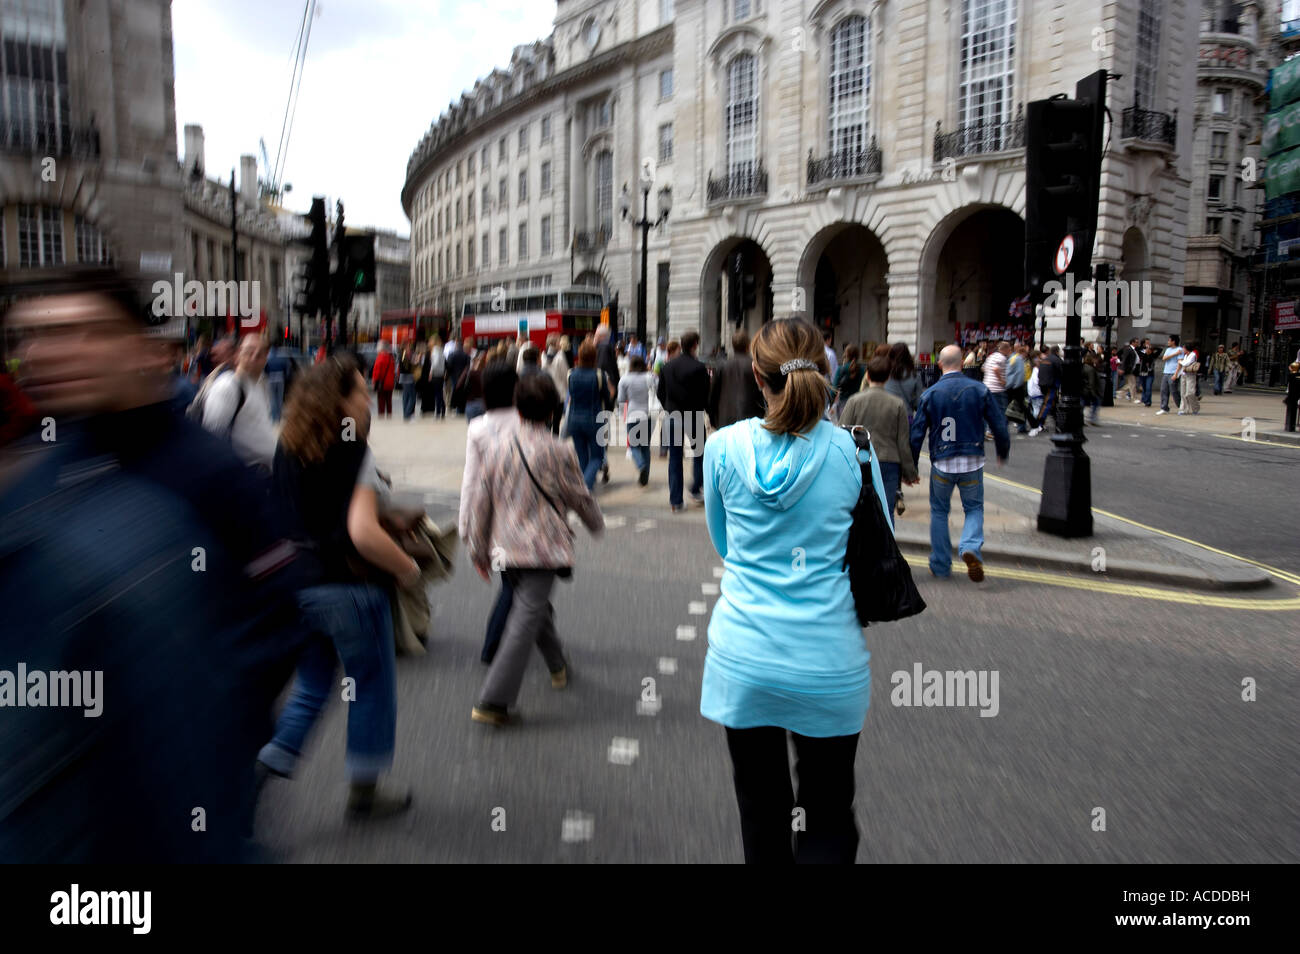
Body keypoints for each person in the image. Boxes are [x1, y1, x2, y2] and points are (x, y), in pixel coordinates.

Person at [1, 269, 309, 860]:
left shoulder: (210, 473)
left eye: (83, 331)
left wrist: (212, 725)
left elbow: (277, 615)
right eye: (32, 337)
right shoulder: (35, 473)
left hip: (176, 804)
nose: (50, 352)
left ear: (140, 349)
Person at [702, 317, 888, 864]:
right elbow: (880, 543)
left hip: (745, 656)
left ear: (757, 377)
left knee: (761, 813)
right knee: (829, 813)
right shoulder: (854, 450)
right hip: (828, 661)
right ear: (827, 372)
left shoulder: (723, 447)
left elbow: (725, 544)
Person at [257, 355, 417, 820]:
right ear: (341, 399)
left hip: (296, 584)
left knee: (311, 685)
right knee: (370, 684)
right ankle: (365, 792)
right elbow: (362, 532)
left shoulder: (287, 446)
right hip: (347, 587)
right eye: (361, 391)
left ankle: (268, 765)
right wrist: (406, 568)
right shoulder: (355, 452)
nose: (368, 399)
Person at [460, 373, 603, 725]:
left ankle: (557, 667)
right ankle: (494, 701)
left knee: (532, 609)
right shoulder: (559, 450)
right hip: (541, 549)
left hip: (503, 547)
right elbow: (578, 496)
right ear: (553, 412)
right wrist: (595, 523)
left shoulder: (494, 449)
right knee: (525, 616)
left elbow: (481, 503)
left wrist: (478, 550)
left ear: (518, 408)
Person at [910, 344, 1010, 582]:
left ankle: (941, 565)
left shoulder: (930, 393)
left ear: (940, 364)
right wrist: (1002, 451)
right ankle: (970, 547)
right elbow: (999, 425)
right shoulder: (979, 390)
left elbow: (916, 435)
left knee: (939, 511)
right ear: (964, 362)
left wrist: (911, 467)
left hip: (942, 463)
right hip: (972, 461)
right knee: (974, 508)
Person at [471, 360, 522, 665]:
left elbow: (471, 486)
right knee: (518, 588)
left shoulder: (477, 428)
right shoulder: (527, 421)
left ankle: (546, 648)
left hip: (494, 525)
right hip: (522, 524)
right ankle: (492, 647)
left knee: (516, 585)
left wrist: (472, 536)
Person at [840, 356, 919, 516]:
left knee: (858, 511)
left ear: (867, 376)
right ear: (888, 377)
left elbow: (842, 434)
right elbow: (903, 443)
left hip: (860, 460)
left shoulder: (854, 401)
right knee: (886, 512)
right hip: (889, 462)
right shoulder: (897, 404)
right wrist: (910, 472)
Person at [201, 333, 276, 473]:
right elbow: (213, 437)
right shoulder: (227, 386)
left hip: (265, 475)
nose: (254, 357)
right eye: (249, 352)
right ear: (238, 355)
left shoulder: (262, 384)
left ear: (266, 358)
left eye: (260, 354)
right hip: (248, 474)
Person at [658, 330, 711, 513]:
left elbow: (660, 392)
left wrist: (668, 407)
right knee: (699, 454)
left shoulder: (667, 366)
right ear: (695, 344)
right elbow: (706, 394)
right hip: (693, 415)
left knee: (674, 458)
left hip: (672, 415)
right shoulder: (699, 367)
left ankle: (676, 501)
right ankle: (696, 488)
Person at [565, 340, 610, 489]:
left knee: (582, 457)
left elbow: (570, 396)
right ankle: (585, 487)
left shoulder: (571, 374)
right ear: (594, 357)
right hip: (593, 419)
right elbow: (606, 398)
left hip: (574, 419)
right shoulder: (599, 375)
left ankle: (586, 488)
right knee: (597, 457)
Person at [707, 328, 765, 431]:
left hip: (725, 420)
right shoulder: (755, 365)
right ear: (748, 345)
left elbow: (713, 395)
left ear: (733, 346)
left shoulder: (722, 366)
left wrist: (712, 418)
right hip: (750, 421)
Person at [617, 354, 655, 485]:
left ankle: (640, 465)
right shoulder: (649, 377)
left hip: (632, 415)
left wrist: (622, 414)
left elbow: (621, 399)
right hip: (647, 415)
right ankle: (645, 476)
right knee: (645, 447)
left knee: (633, 446)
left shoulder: (624, 379)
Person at [594, 325, 620, 484]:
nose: (594, 337)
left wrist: (610, 394)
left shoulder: (602, 348)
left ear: (601, 336)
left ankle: (601, 463)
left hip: (600, 402)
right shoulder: (603, 348)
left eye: (597, 335)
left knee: (600, 434)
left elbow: (606, 374)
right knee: (601, 434)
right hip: (602, 402)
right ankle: (601, 463)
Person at [881, 343, 923, 420]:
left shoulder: (884, 373)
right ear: (908, 357)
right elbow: (918, 403)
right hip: (906, 415)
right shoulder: (915, 375)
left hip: (885, 415)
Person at [982, 339, 1009, 437]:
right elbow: (995, 368)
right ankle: (999, 432)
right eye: (1009, 348)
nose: (1010, 350)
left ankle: (987, 431)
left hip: (986, 386)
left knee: (988, 409)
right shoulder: (1001, 357)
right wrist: (1001, 380)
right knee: (1001, 410)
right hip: (997, 389)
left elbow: (983, 368)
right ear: (1004, 349)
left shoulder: (991, 357)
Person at [832, 344, 864, 416]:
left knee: (843, 426)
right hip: (859, 403)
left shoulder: (841, 369)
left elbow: (834, 389)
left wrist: (830, 403)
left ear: (846, 354)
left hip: (843, 403)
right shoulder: (863, 370)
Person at [1157, 334, 1185, 415]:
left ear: (1174, 341)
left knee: (1174, 391)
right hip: (1166, 372)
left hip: (1173, 372)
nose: (1168, 342)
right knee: (1163, 390)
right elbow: (1164, 358)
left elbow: (1180, 363)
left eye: (1169, 340)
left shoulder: (1180, 349)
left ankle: (1181, 407)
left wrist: (1176, 374)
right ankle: (1164, 408)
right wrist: (1175, 354)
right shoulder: (1168, 349)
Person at [370, 339, 396, 418]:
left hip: (382, 383)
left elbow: (377, 372)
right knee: (389, 400)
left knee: (381, 401)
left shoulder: (380, 357)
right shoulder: (391, 358)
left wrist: (374, 381)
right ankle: (389, 415)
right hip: (390, 383)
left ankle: (381, 416)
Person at [1176, 341, 1200, 415]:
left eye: (1183, 348)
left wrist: (1180, 361)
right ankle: (1183, 409)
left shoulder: (1193, 355)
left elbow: (1186, 363)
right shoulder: (1186, 355)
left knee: (1190, 393)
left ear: (1187, 348)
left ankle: (1195, 408)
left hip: (1191, 375)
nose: (1183, 349)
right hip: (1183, 374)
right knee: (1182, 393)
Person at [1081, 351, 1102, 426]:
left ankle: (1085, 419)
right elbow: (1091, 382)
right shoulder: (1090, 369)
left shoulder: (1084, 366)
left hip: (1084, 389)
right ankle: (1092, 418)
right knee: (1095, 403)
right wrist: (1094, 393)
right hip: (1088, 390)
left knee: (1082, 405)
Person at [399, 343, 418, 420]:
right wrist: (415, 363)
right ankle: (407, 413)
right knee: (412, 397)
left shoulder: (404, 355)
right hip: (408, 378)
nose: (410, 349)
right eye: (408, 347)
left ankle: (406, 413)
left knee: (406, 396)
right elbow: (406, 368)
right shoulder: (404, 356)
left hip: (405, 378)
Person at [1118, 338, 1141, 402]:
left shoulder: (1134, 350)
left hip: (1133, 369)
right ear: (1132, 343)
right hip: (1128, 369)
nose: (1137, 343)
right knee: (1132, 384)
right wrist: (1122, 368)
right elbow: (1124, 359)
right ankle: (1134, 398)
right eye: (1136, 342)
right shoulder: (1128, 349)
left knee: (1131, 384)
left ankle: (1120, 392)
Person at [1138, 338, 1157, 407]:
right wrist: (1145, 351)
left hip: (1150, 374)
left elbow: (1160, 349)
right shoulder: (1142, 353)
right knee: (1144, 388)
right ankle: (1145, 399)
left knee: (1148, 387)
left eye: (1149, 342)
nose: (1148, 344)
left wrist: (1151, 348)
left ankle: (1148, 402)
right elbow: (1141, 356)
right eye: (1146, 343)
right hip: (1142, 373)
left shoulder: (1153, 355)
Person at [1284, 361, 1300, 432]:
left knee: (1291, 409)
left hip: (1292, 396)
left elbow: (1289, 385)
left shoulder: (1291, 376)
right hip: (1296, 395)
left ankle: (1290, 427)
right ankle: (1292, 426)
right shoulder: (1298, 375)